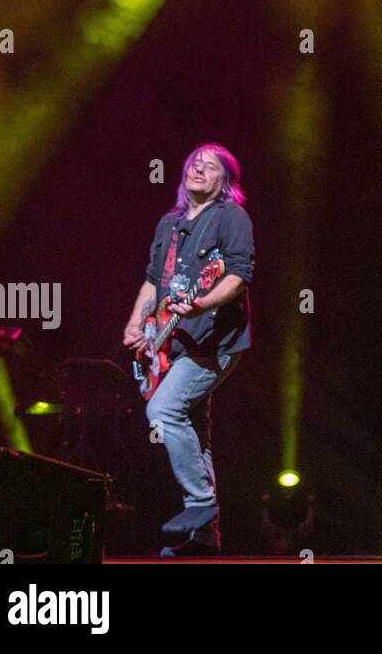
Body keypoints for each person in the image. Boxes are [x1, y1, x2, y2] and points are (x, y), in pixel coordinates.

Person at [123, 143, 254, 557]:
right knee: (196, 435)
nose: (198, 168)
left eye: (210, 166)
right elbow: (153, 281)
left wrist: (202, 303)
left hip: (214, 341)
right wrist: (136, 323)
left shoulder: (231, 217)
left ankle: (200, 502)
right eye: (194, 162)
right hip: (174, 342)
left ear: (225, 181)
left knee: (162, 411)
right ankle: (204, 540)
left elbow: (238, 275)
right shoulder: (170, 223)